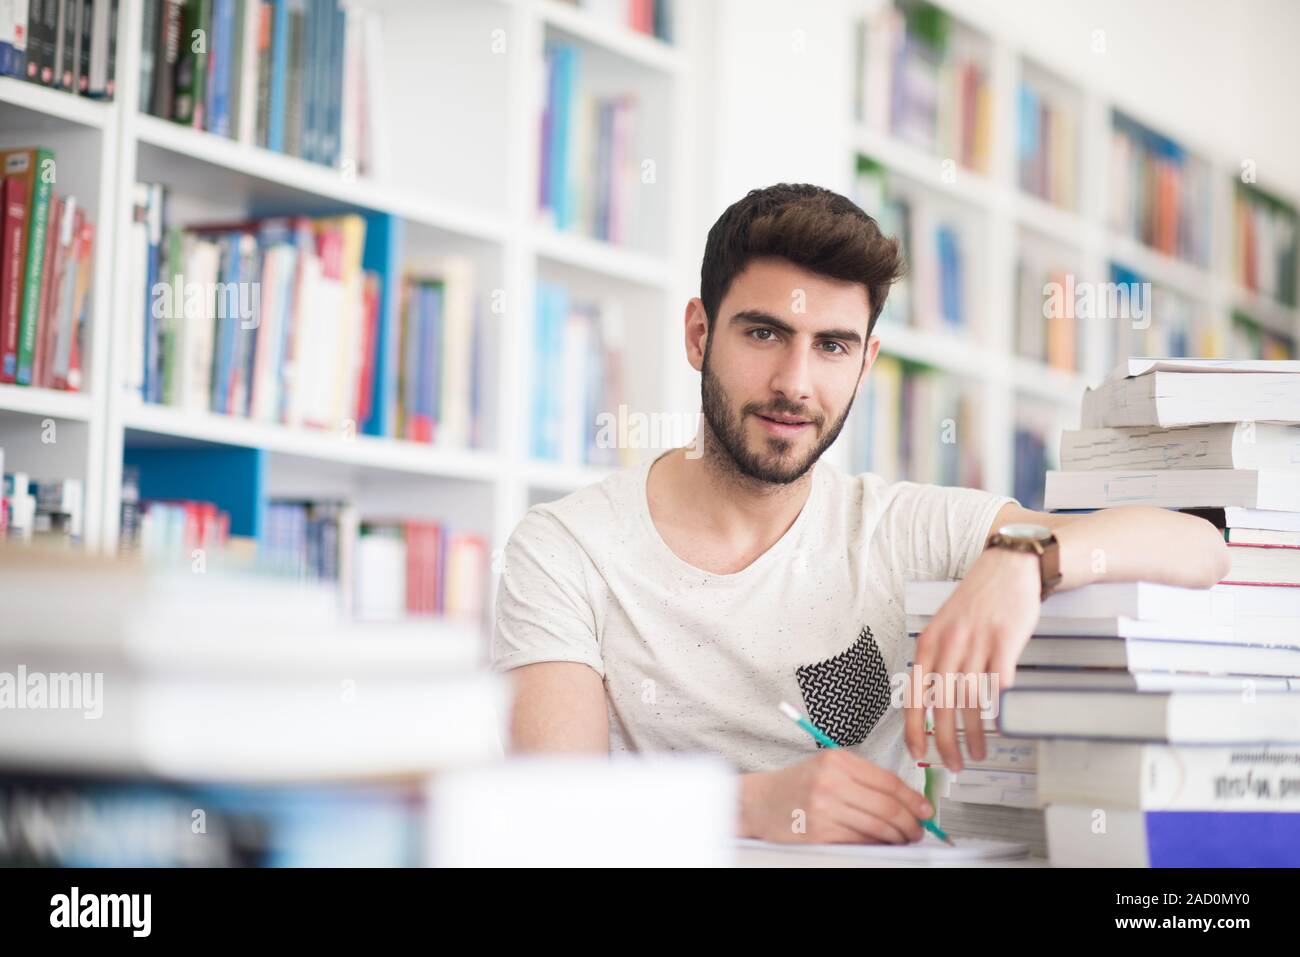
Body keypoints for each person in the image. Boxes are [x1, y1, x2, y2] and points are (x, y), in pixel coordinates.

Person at [492, 183, 1230, 845]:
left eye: (832, 346)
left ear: (867, 362)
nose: (795, 383)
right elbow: (550, 805)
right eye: (763, 332)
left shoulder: (898, 528)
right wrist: (747, 805)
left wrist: (1021, 556)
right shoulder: (566, 549)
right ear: (698, 334)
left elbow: (1200, 545)